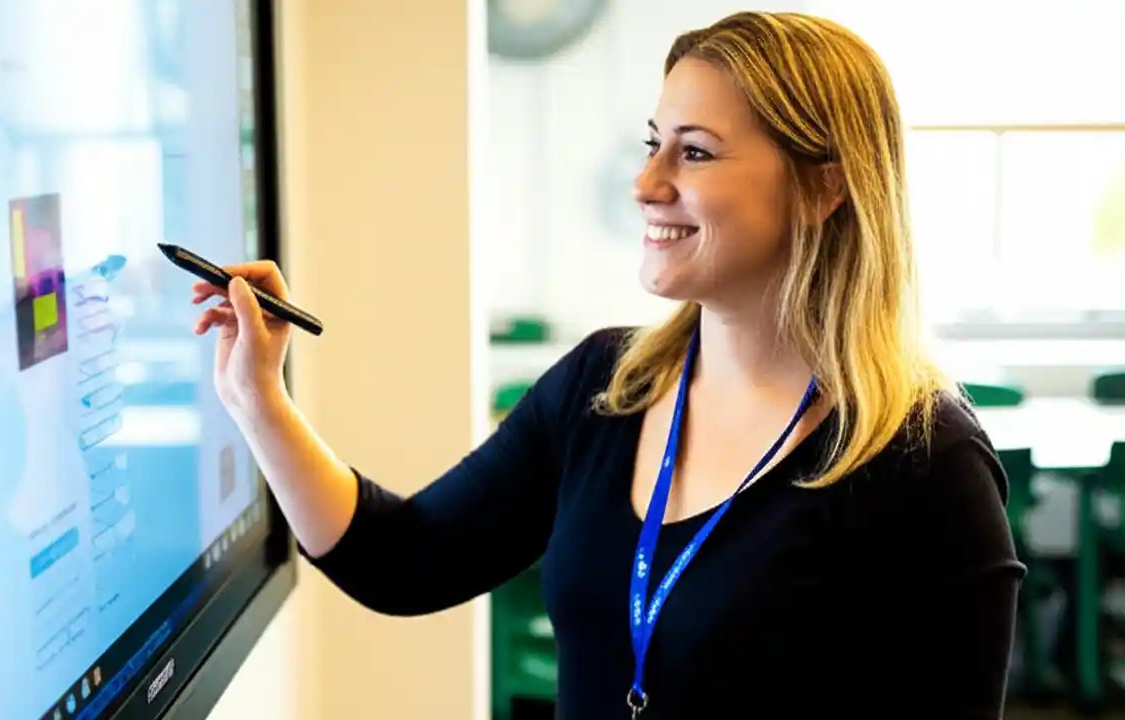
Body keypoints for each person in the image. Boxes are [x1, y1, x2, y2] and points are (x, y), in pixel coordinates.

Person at [191, 10, 1025, 719]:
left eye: (693, 153)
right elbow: (406, 560)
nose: (646, 182)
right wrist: (259, 398)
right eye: (654, 143)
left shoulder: (922, 460)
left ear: (823, 189)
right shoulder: (606, 388)